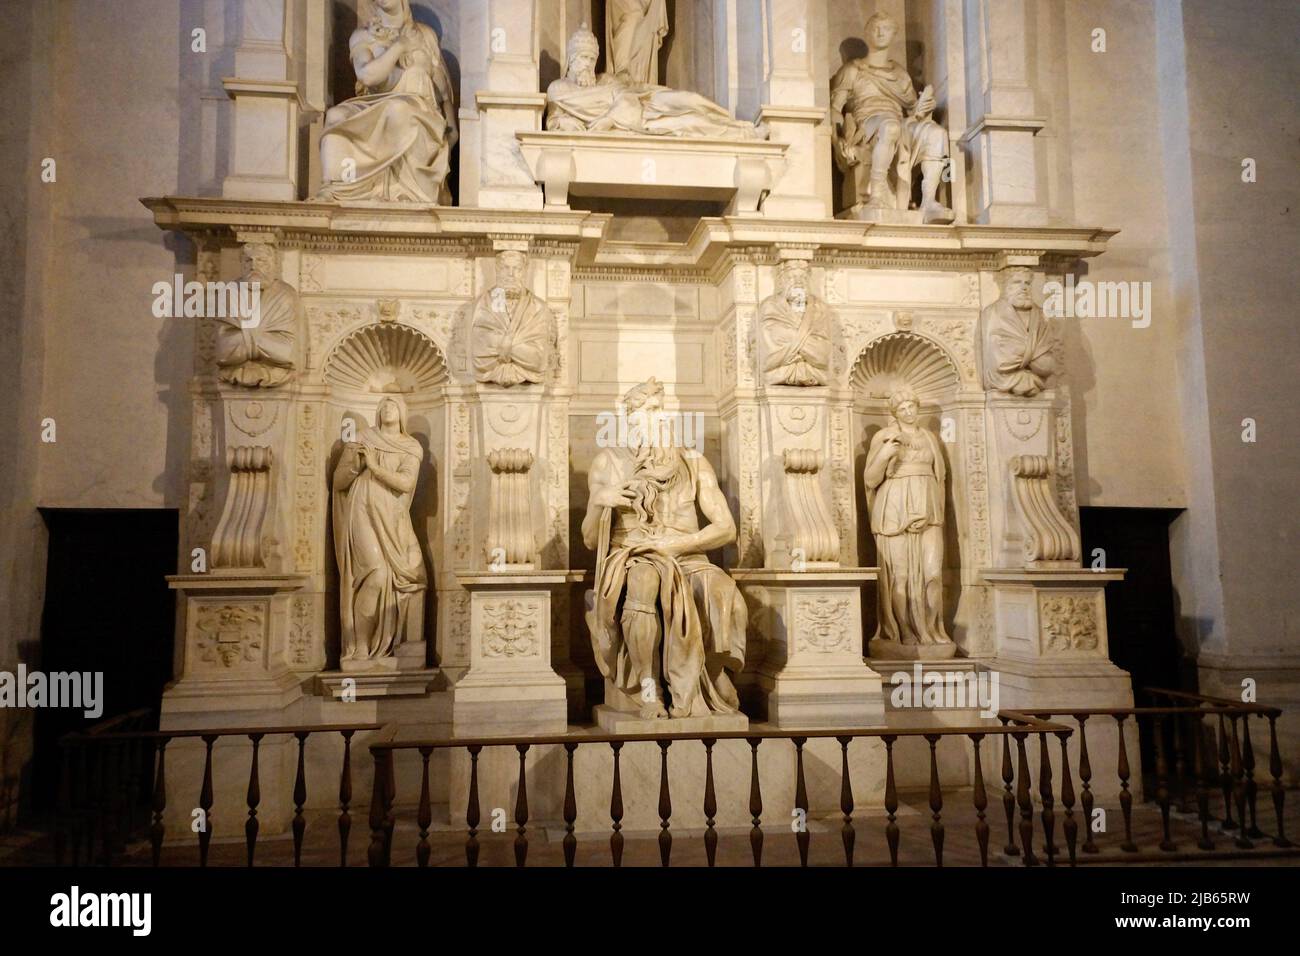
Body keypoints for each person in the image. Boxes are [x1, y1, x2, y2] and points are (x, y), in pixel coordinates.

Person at [583, 379, 746, 719]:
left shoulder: (693, 461)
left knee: (722, 588)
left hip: (686, 555)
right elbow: (589, 539)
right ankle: (648, 689)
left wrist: (673, 544)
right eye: (651, 410)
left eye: (663, 410)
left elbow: (726, 528)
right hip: (633, 555)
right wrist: (602, 502)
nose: (661, 417)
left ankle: (712, 673)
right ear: (630, 417)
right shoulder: (608, 462)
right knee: (644, 581)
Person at [318, 0, 457, 203]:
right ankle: (336, 188)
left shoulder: (426, 35)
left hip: (418, 110)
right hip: (374, 104)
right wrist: (400, 45)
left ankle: (404, 190)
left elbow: (443, 93)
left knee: (398, 110)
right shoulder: (363, 36)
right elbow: (367, 76)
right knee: (335, 116)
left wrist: (452, 127)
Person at [546, 25, 767, 141]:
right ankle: (743, 134)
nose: (589, 64)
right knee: (689, 122)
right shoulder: (559, 89)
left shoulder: (605, 79)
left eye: (592, 59)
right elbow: (555, 122)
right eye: (584, 58)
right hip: (639, 122)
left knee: (690, 99)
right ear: (572, 60)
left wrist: (607, 118)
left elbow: (626, 95)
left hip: (645, 104)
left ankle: (737, 123)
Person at [332, 396, 427, 662]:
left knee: (411, 574)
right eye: (383, 404)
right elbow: (338, 481)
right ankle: (361, 645)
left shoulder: (411, 446)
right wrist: (356, 464)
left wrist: (373, 466)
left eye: (393, 404)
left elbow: (406, 484)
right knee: (375, 573)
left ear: (402, 413)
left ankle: (392, 648)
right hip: (361, 509)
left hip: (394, 517)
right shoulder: (362, 439)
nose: (387, 407)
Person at [863, 387, 952, 648]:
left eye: (911, 406)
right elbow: (870, 479)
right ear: (894, 413)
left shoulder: (929, 437)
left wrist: (933, 509)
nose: (908, 412)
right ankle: (903, 631)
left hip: (928, 508)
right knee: (898, 575)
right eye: (902, 408)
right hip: (894, 509)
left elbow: (940, 478)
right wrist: (885, 454)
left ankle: (932, 629)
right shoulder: (884, 437)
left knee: (932, 573)